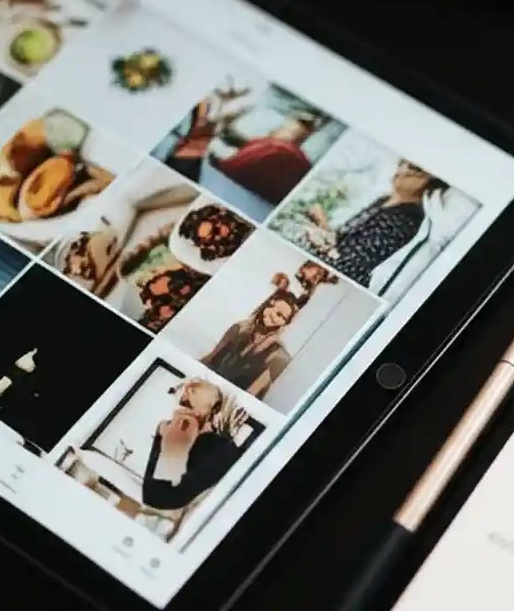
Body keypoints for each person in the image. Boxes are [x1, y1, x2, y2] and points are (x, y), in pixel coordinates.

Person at [200, 263, 337, 398]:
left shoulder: (308, 292)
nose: (315, 276)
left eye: (319, 275)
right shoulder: (289, 282)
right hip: (266, 313)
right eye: (315, 271)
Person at [304, 161, 449, 287]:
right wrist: (322, 225)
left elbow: (349, 269)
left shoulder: (403, 221)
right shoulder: (385, 200)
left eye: (413, 168)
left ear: (428, 180)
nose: (401, 170)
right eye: (401, 163)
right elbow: (343, 241)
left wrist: (319, 242)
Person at [142, 378, 246, 511]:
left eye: (187, 403)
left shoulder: (219, 449)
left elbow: (160, 496)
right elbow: (157, 497)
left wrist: (173, 446)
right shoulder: (214, 446)